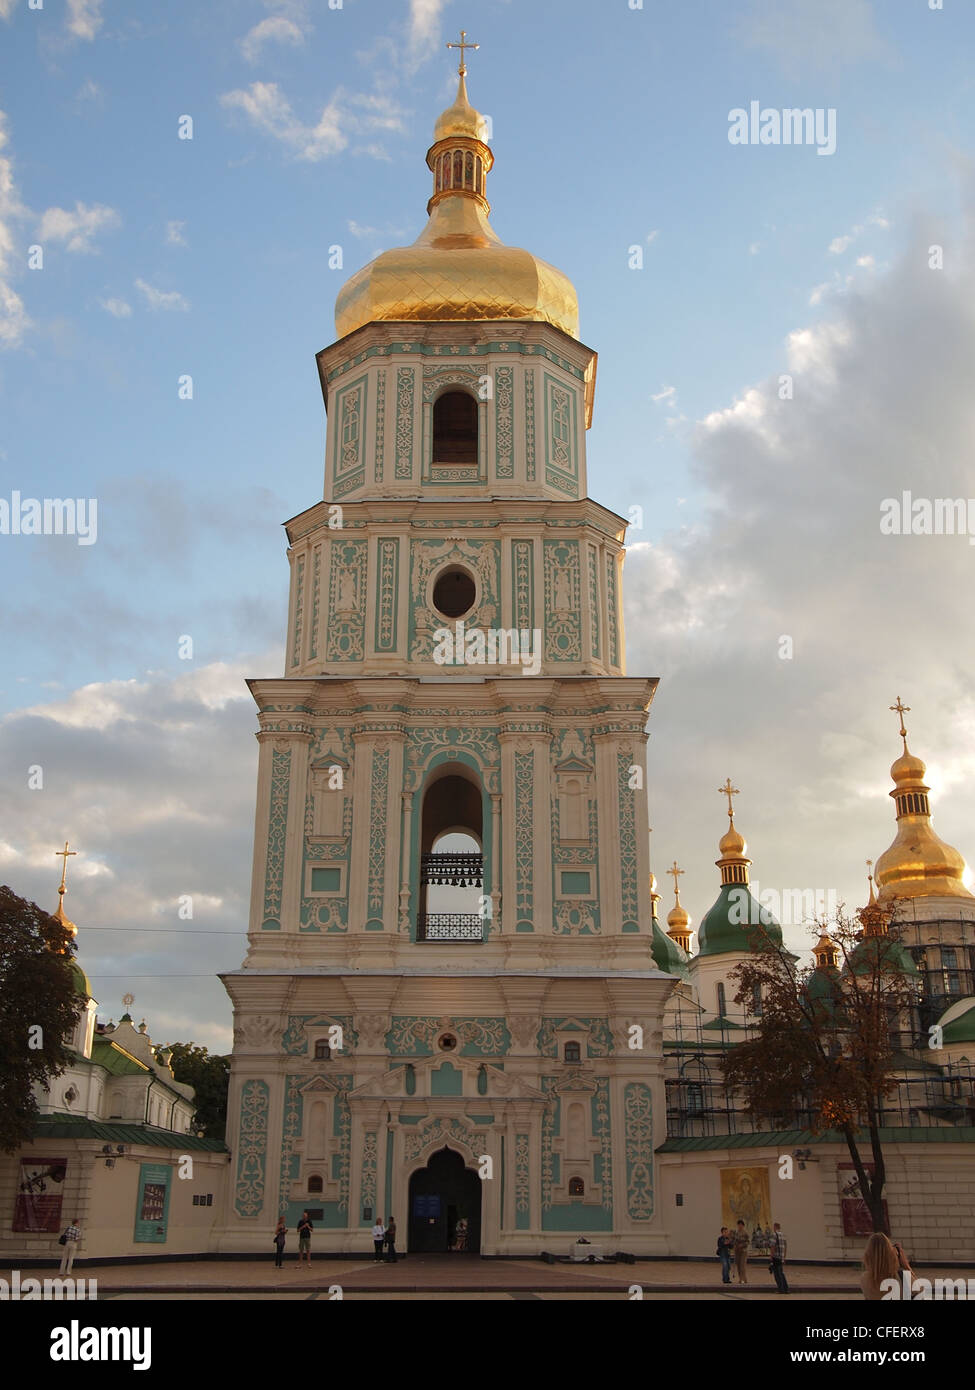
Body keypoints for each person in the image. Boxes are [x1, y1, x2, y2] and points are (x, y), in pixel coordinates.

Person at [860, 1232, 914, 1300]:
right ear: (891, 1253)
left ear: (868, 1255)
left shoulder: (864, 1279)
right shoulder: (901, 1275)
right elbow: (920, 1293)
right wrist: (905, 1265)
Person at [770, 1222, 789, 1293]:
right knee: (781, 1273)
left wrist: (771, 1257)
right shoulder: (783, 1235)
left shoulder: (774, 1235)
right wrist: (784, 1257)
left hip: (776, 1257)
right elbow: (785, 1247)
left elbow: (772, 1246)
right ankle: (786, 1288)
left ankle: (781, 1289)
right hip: (781, 1257)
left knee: (777, 1274)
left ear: (775, 1227)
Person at [733, 1219, 750, 1285]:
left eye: (741, 1225)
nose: (739, 1226)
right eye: (738, 1225)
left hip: (743, 1251)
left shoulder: (745, 1233)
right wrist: (735, 1245)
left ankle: (742, 1279)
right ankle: (742, 1278)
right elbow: (734, 1240)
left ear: (743, 1226)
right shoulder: (736, 1233)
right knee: (738, 1265)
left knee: (742, 1265)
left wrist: (742, 1245)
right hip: (737, 1251)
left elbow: (748, 1242)